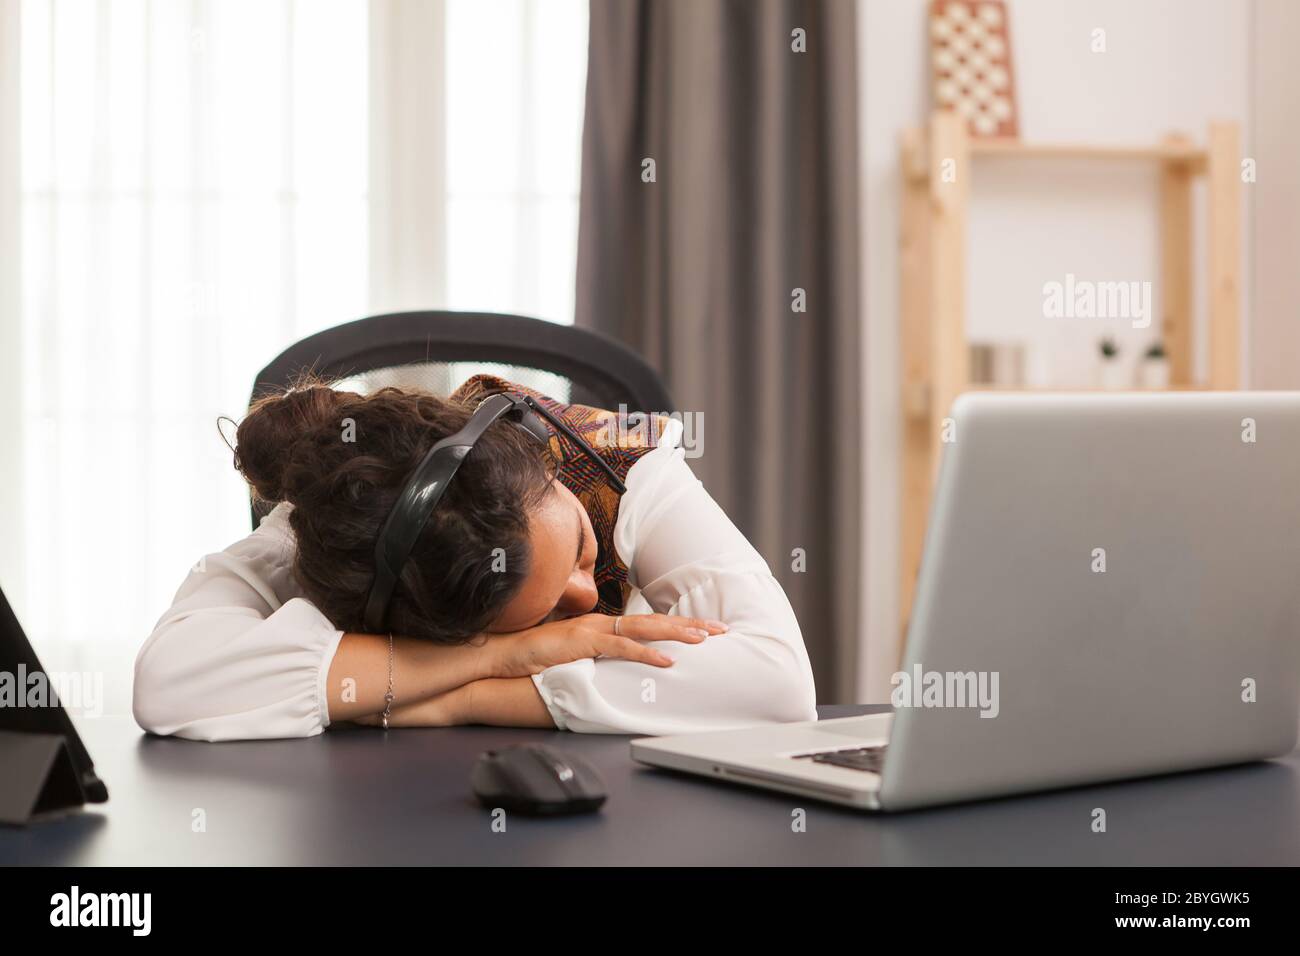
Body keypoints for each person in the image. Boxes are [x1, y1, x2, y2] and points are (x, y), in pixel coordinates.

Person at [133, 374, 817, 741]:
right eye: (543, 612)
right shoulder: (318, 536)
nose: (583, 605)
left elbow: (779, 685)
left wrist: (461, 701)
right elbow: (171, 682)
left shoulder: (618, 463)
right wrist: (497, 656)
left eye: (580, 550)